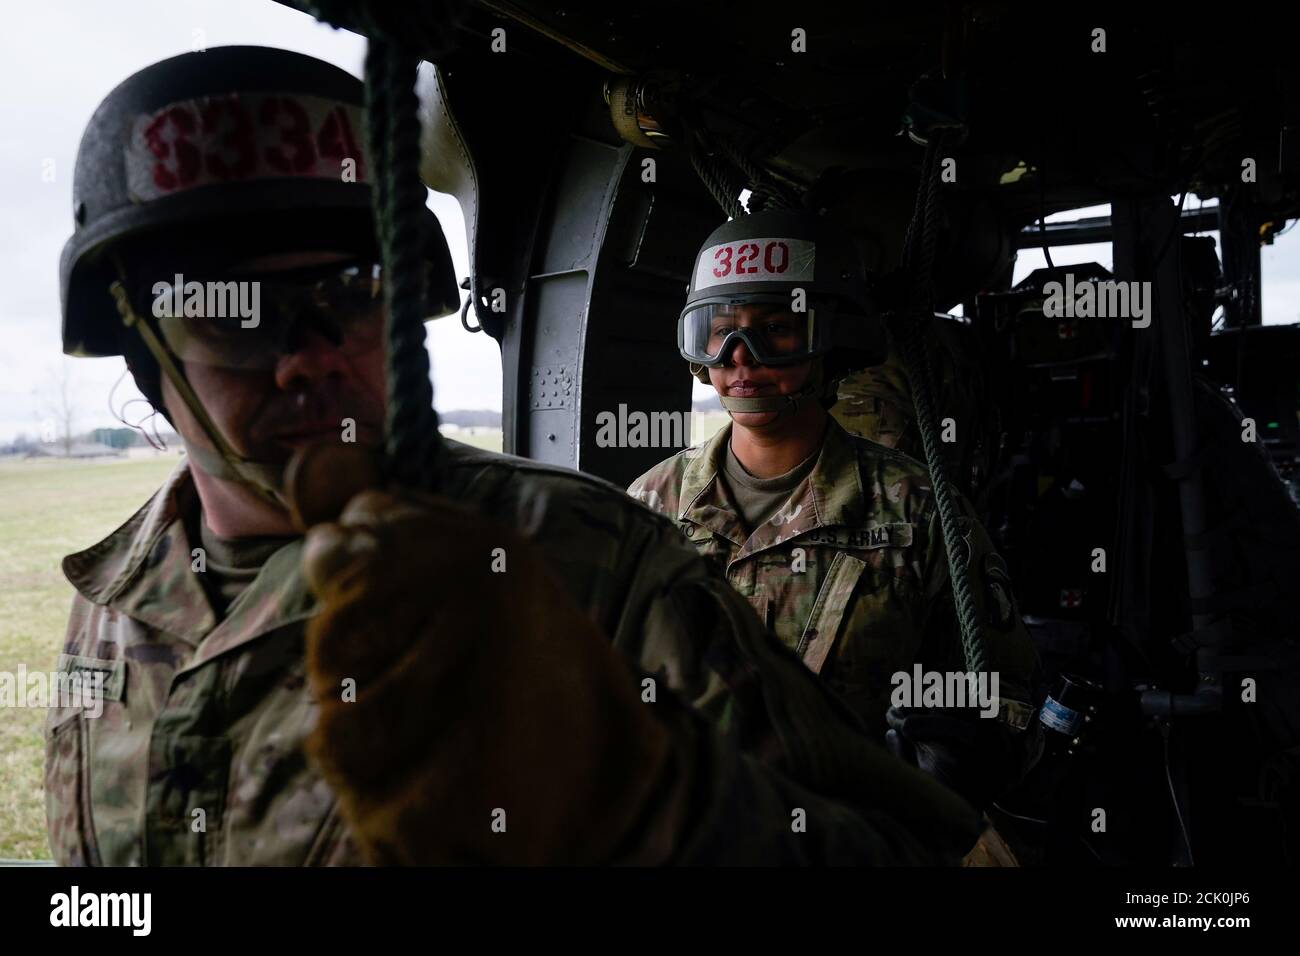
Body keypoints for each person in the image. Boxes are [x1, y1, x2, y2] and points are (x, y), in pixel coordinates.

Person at [47, 46, 984, 866]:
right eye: (232, 312)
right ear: (136, 344)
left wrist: (642, 806)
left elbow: (899, 847)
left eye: (356, 289)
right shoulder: (111, 601)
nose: (309, 357)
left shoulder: (590, 555)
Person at [629, 209, 1043, 818]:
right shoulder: (651, 502)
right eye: (720, 333)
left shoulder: (919, 512)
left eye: (777, 329)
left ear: (834, 342)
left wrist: (961, 753)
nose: (742, 357)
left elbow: (1009, 697)